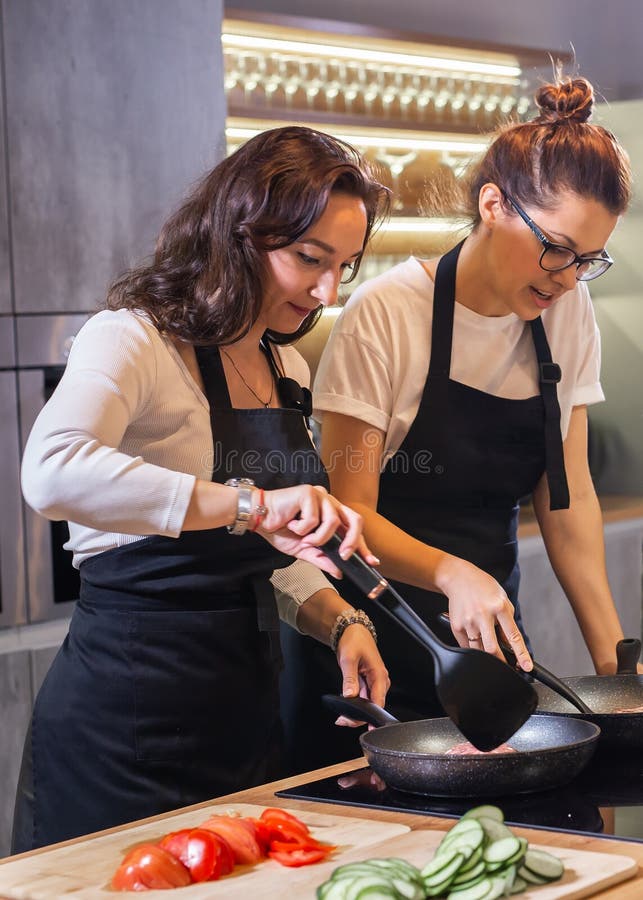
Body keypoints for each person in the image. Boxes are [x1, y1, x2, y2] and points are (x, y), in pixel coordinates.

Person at [12, 125, 392, 852]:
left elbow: (266, 558)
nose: (326, 289)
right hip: (126, 725)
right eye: (310, 259)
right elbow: (50, 470)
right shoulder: (133, 339)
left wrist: (340, 622)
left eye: (343, 265)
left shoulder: (286, 372)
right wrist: (252, 503)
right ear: (238, 232)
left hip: (243, 720)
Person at [279, 73, 639, 772]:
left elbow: (564, 502)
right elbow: (348, 513)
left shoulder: (565, 313)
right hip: (365, 643)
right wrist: (453, 575)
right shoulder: (386, 314)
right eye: (555, 248)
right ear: (492, 204)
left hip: (487, 647)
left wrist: (615, 672)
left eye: (586, 260)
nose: (566, 277)